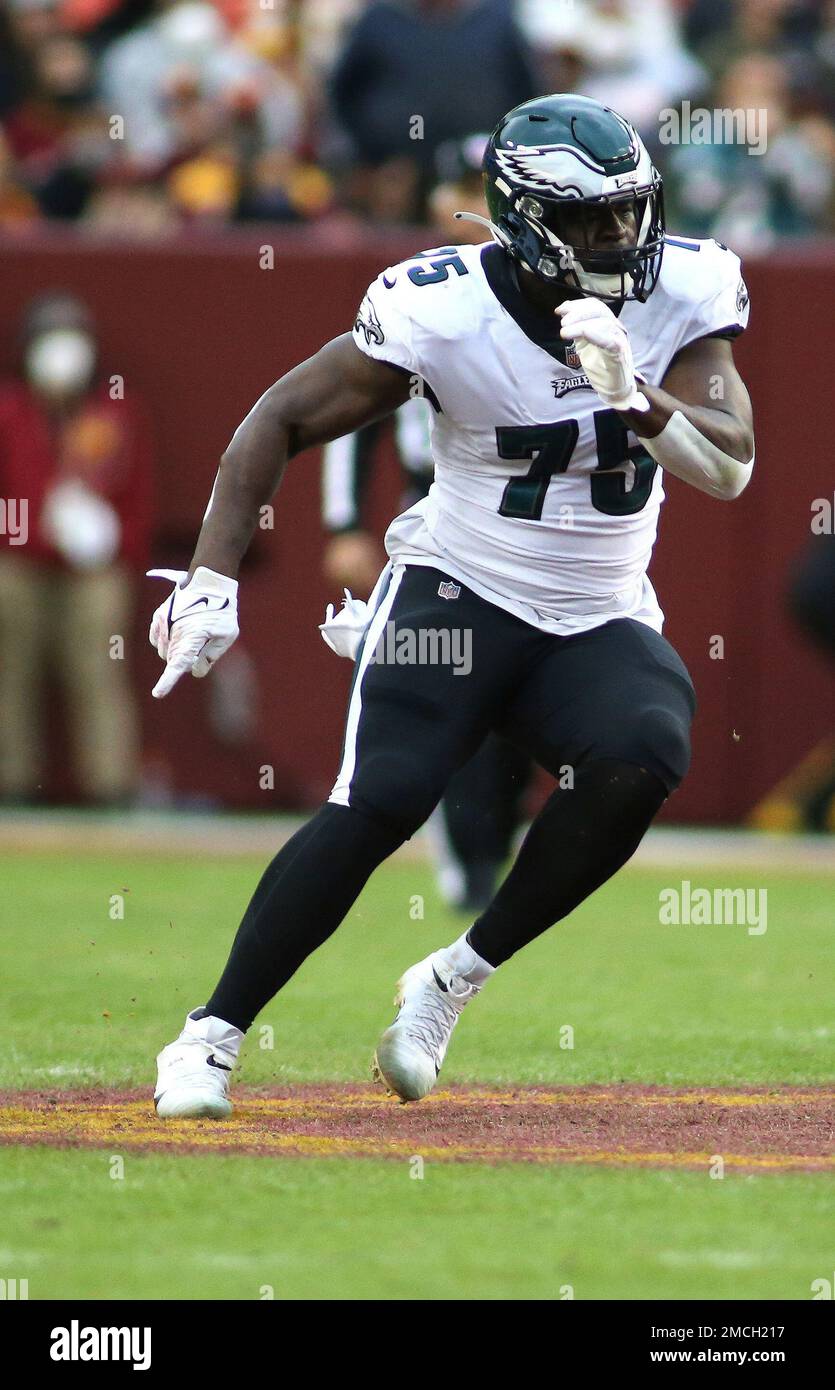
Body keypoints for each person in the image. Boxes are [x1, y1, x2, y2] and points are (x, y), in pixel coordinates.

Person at [150, 94, 754, 1118]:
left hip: (595, 610)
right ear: (522, 219)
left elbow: (730, 468)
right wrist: (212, 573)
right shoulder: (440, 306)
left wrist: (637, 394)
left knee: (643, 751)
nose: (620, 237)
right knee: (381, 798)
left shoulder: (689, 286)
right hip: (458, 586)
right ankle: (209, 1034)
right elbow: (280, 416)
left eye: (628, 211)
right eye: (589, 220)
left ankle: (448, 980)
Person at [321, 133, 531, 911]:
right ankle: (461, 852)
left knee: (522, 693)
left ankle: (493, 840)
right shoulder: (419, 291)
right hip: (436, 508)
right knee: (445, 681)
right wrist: (343, 524)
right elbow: (352, 416)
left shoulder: (544, 285)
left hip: (523, 512)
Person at [0, 291, 152, 804]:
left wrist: (114, 542)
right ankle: (13, 783)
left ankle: (110, 787)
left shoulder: (113, 414)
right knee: (11, 668)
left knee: (98, 669)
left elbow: (137, 493)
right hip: (18, 564)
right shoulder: (9, 412)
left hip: (95, 569)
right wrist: (25, 533)